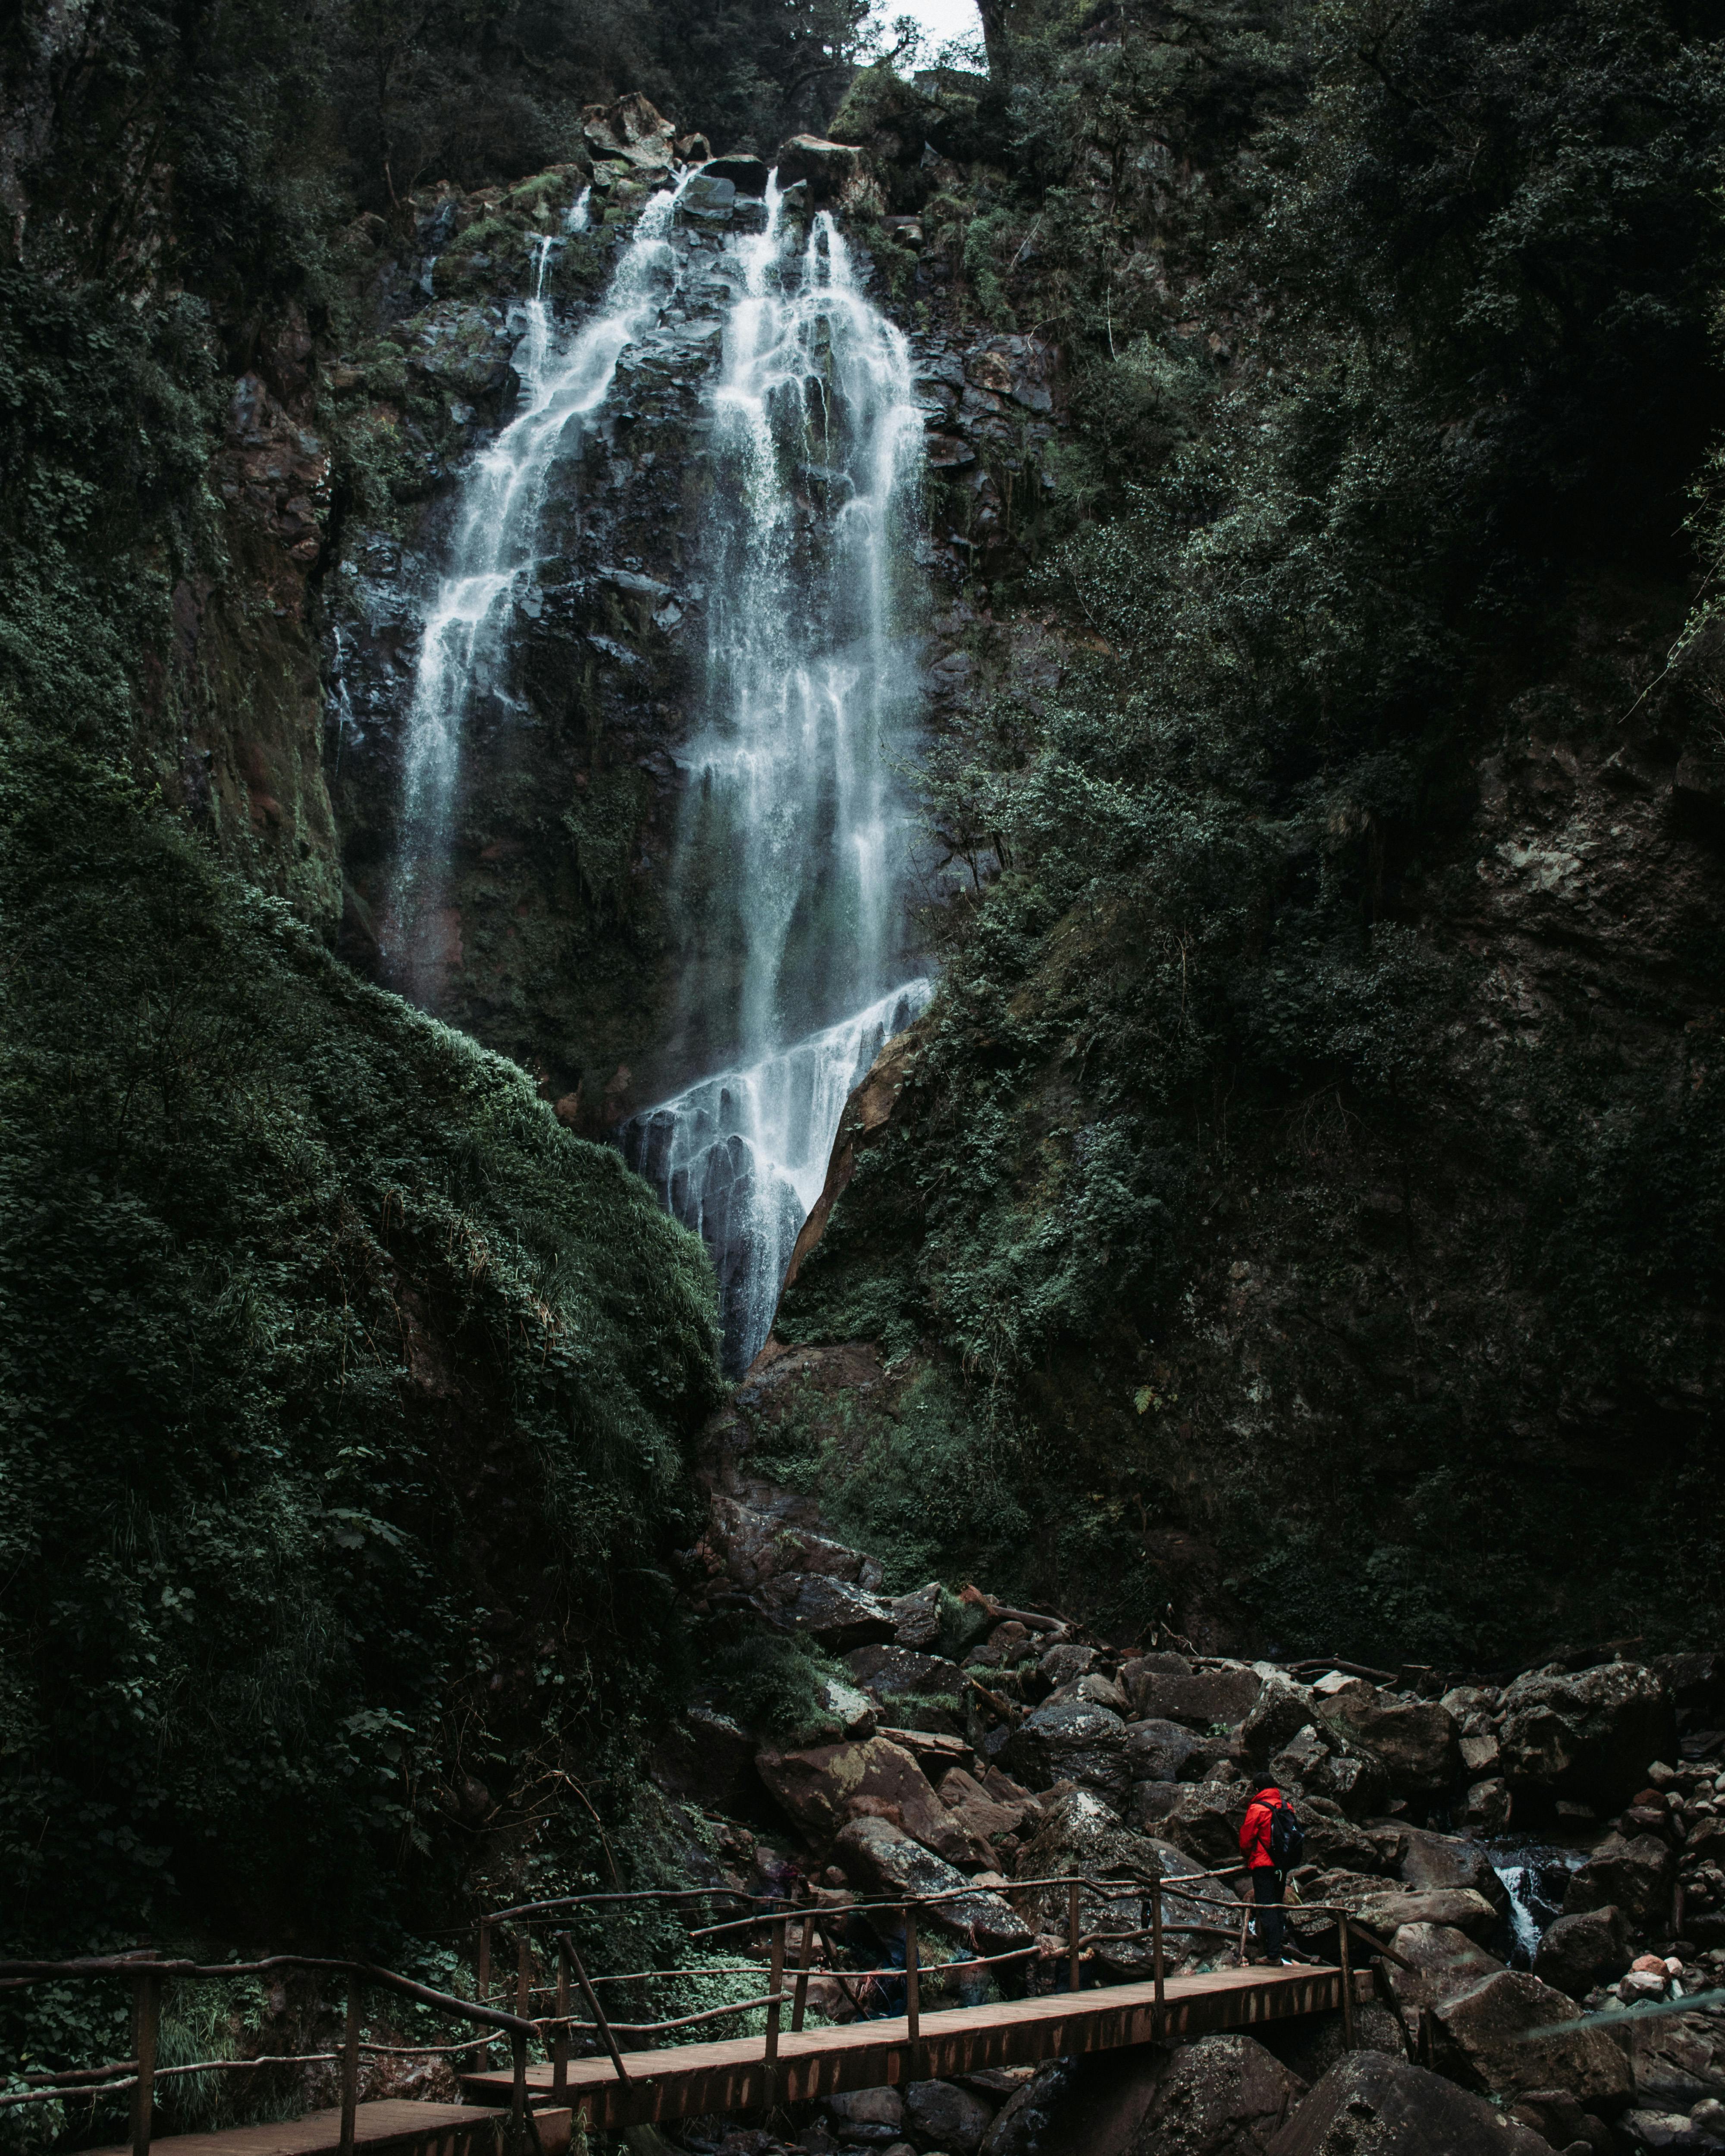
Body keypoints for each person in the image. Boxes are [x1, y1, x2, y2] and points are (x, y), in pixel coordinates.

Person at [1239, 1777, 1298, 1963]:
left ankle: (1273, 1955)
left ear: (1258, 1788)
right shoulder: (1287, 1807)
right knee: (1278, 1906)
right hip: (1281, 1866)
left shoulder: (1257, 1809)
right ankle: (1277, 1949)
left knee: (1267, 1907)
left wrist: (1248, 1856)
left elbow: (1246, 1839)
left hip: (1263, 1865)